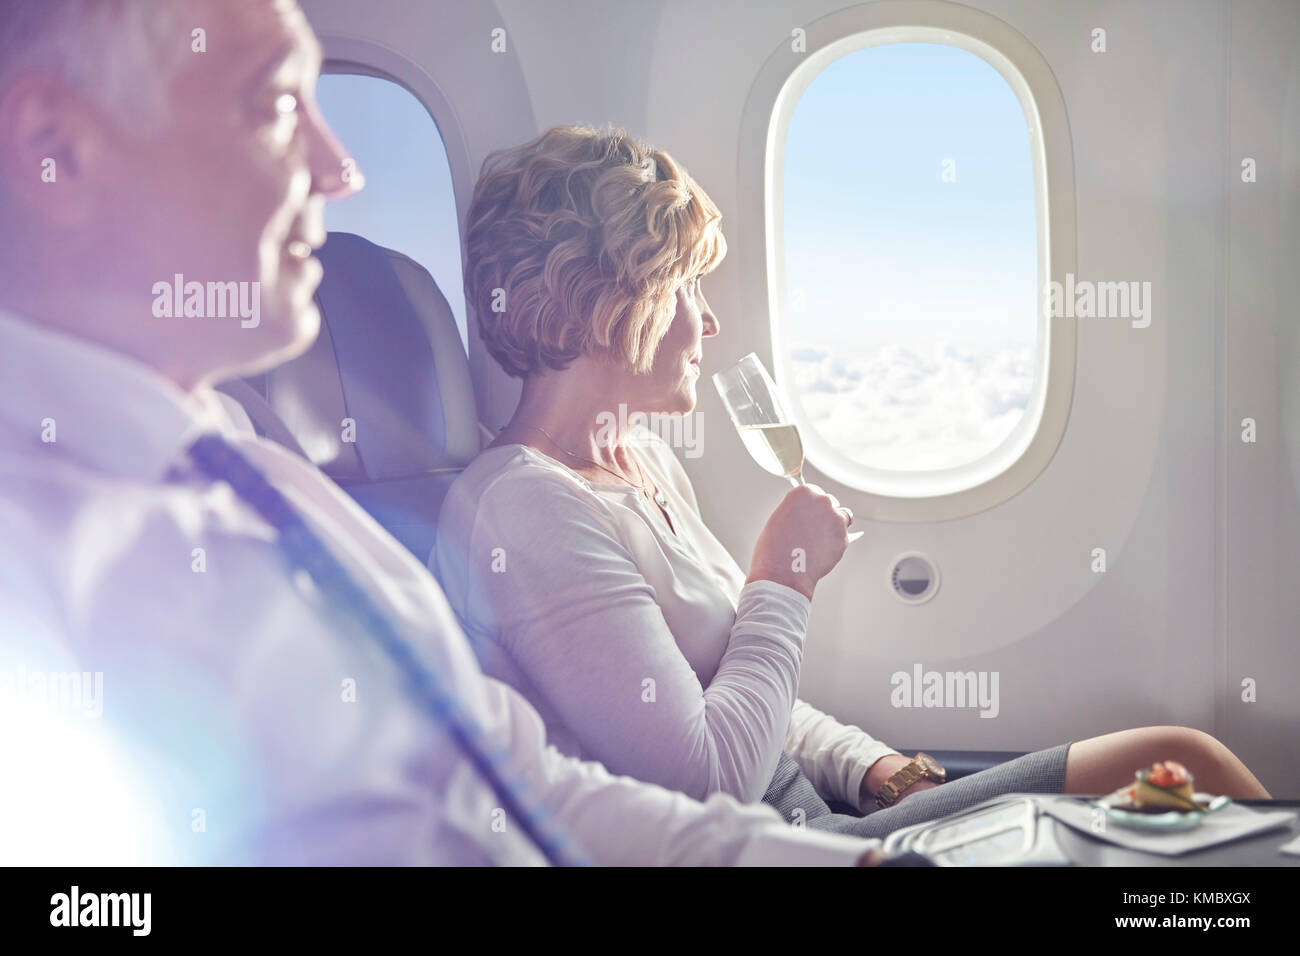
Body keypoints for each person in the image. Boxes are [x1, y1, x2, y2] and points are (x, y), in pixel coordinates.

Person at [0, 0, 896, 866]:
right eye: (275, 104)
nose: (341, 169)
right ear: (55, 150)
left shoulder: (261, 479)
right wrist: (784, 584)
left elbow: (523, 785)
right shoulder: (38, 550)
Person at [432, 124, 1272, 839]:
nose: (712, 318)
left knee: (1180, 779)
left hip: (826, 824)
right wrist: (783, 580)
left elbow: (736, 689)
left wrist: (877, 770)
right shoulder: (525, 508)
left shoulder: (642, 462)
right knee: (1184, 773)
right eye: (686, 284)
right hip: (767, 847)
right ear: (607, 300)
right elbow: (708, 778)